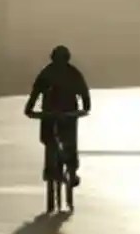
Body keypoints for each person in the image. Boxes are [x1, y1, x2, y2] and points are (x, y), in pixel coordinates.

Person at [24, 45, 91, 186]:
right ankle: (71, 170)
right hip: (68, 114)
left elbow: (35, 93)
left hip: (50, 113)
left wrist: (29, 109)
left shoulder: (46, 72)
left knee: (49, 140)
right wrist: (85, 108)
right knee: (70, 143)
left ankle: (53, 170)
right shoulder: (73, 73)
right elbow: (84, 93)